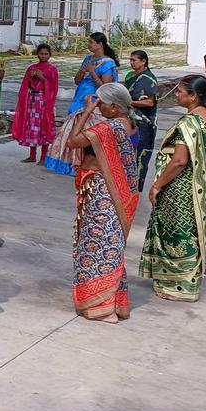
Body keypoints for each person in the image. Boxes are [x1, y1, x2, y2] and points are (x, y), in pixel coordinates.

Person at [63, 83, 139, 322]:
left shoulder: (110, 127)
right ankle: (113, 304)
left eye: (102, 103)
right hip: (117, 193)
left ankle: (102, 307)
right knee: (112, 247)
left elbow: (73, 141)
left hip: (102, 193)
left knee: (97, 247)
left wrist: (87, 110)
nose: (100, 107)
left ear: (115, 107)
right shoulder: (129, 124)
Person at [139, 75, 206, 302]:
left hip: (179, 189)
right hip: (194, 187)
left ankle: (180, 286)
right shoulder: (204, 116)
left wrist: (157, 184)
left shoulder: (189, 123)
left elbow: (180, 160)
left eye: (180, 92)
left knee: (178, 234)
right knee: (188, 232)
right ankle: (181, 282)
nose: (176, 95)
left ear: (194, 96)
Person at [45, 32, 118, 176]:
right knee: (72, 129)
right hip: (79, 98)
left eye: (91, 42)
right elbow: (77, 80)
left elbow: (104, 87)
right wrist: (83, 71)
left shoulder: (108, 63)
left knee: (86, 131)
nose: (88, 45)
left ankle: (86, 163)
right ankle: (69, 163)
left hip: (93, 101)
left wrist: (92, 71)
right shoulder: (88, 59)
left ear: (100, 44)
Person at [13, 43, 59, 165]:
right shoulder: (31, 68)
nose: (43, 56)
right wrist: (30, 77)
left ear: (50, 55)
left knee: (44, 126)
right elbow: (25, 85)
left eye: (46, 54)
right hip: (32, 100)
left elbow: (53, 86)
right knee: (32, 127)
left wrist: (42, 78)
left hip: (44, 100)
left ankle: (43, 156)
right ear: (37, 54)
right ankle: (32, 155)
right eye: (41, 53)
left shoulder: (52, 69)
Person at [124, 50, 159, 190]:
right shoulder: (131, 76)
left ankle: (136, 188)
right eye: (130, 59)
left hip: (144, 124)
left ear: (143, 61)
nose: (132, 62)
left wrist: (130, 102)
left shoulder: (148, 79)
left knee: (140, 156)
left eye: (134, 60)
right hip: (130, 121)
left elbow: (150, 102)